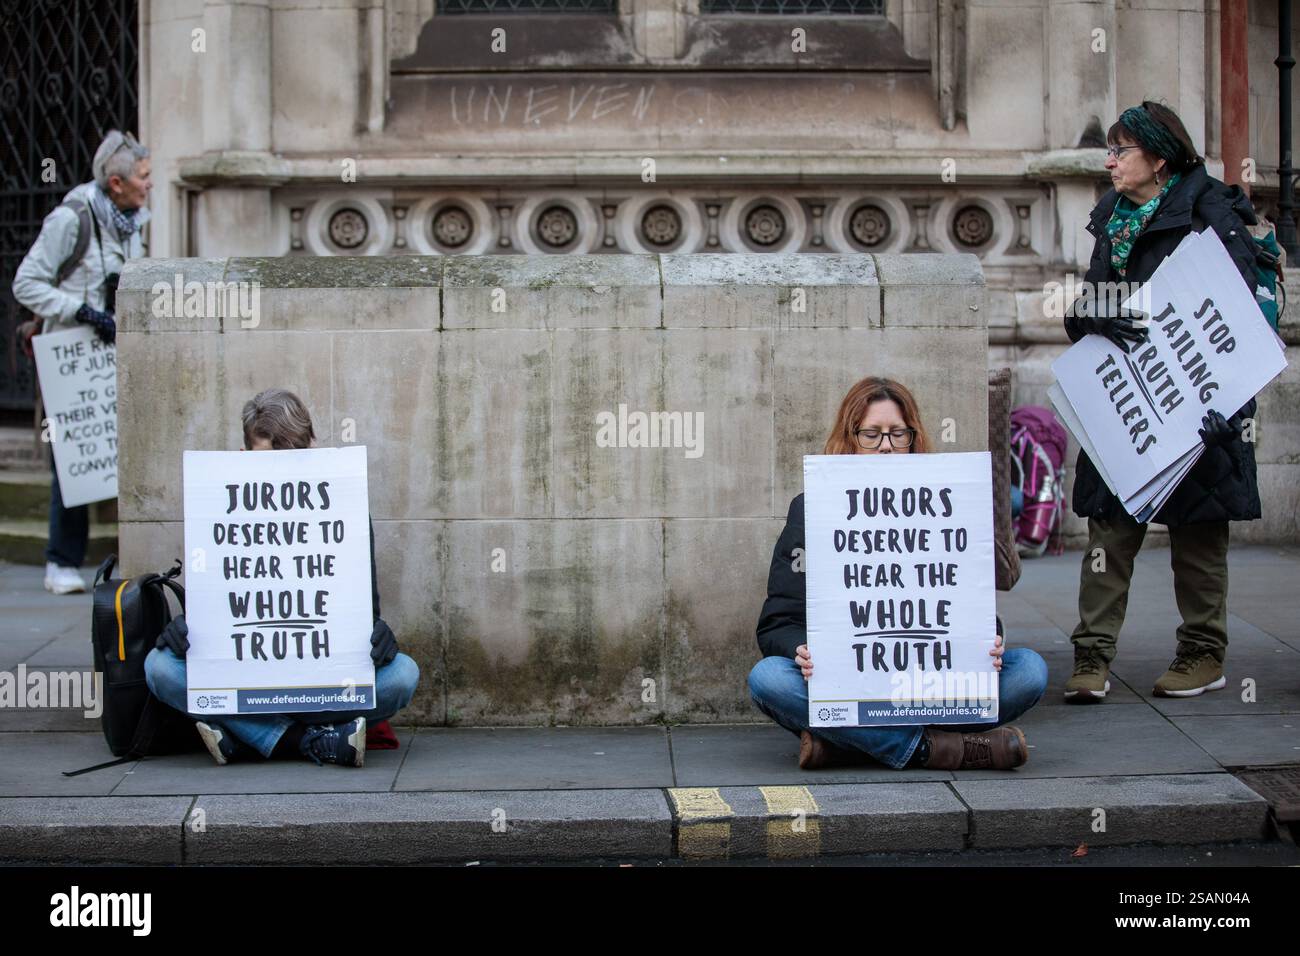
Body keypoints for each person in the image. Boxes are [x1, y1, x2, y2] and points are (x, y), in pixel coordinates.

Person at [1062, 102, 1264, 702]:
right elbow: (1083, 311)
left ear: (1158, 156)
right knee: (1110, 529)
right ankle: (1092, 658)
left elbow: (1241, 311)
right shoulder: (1112, 217)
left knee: (1199, 532)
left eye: (1120, 151)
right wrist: (1090, 313)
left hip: (1202, 403)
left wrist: (1225, 401)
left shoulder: (1211, 211)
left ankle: (1203, 655)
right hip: (1126, 401)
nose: (1110, 162)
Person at [749, 377, 1048, 771]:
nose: (886, 445)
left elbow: (969, 604)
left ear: (914, 437)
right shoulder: (811, 510)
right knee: (769, 679)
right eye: (871, 434)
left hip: (931, 691)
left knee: (1029, 671)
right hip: (849, 689)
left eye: (897, 434)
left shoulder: (947, 505)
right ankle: (936, 749)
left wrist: (988, 643)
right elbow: (777, 622)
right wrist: (799, 650)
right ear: (850, 438)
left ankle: (849, 744)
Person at [143, 389, 420, 767]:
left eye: (294, 463)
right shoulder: (220, 507)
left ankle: (248, 734)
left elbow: (361, 616)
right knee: (159, 669)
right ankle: (310, 742)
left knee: (402, 675)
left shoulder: (344, 509)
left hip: (319, 690)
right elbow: (218, 612)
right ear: (243, 458)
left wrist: (379, 635)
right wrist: (183, 631)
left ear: (314, 450)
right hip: (248, 685)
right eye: (268, 464)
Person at [12, 130, 152, 595]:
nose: (148, 185)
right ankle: (61, 562)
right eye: (143, 177)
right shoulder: (72, 217)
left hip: (115, 354)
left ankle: (134, 556)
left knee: (124, 452)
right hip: (71, 356)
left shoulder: (133, 222)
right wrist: (82, 311)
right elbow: (26, 283)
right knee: (73, 455)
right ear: (117, 183)